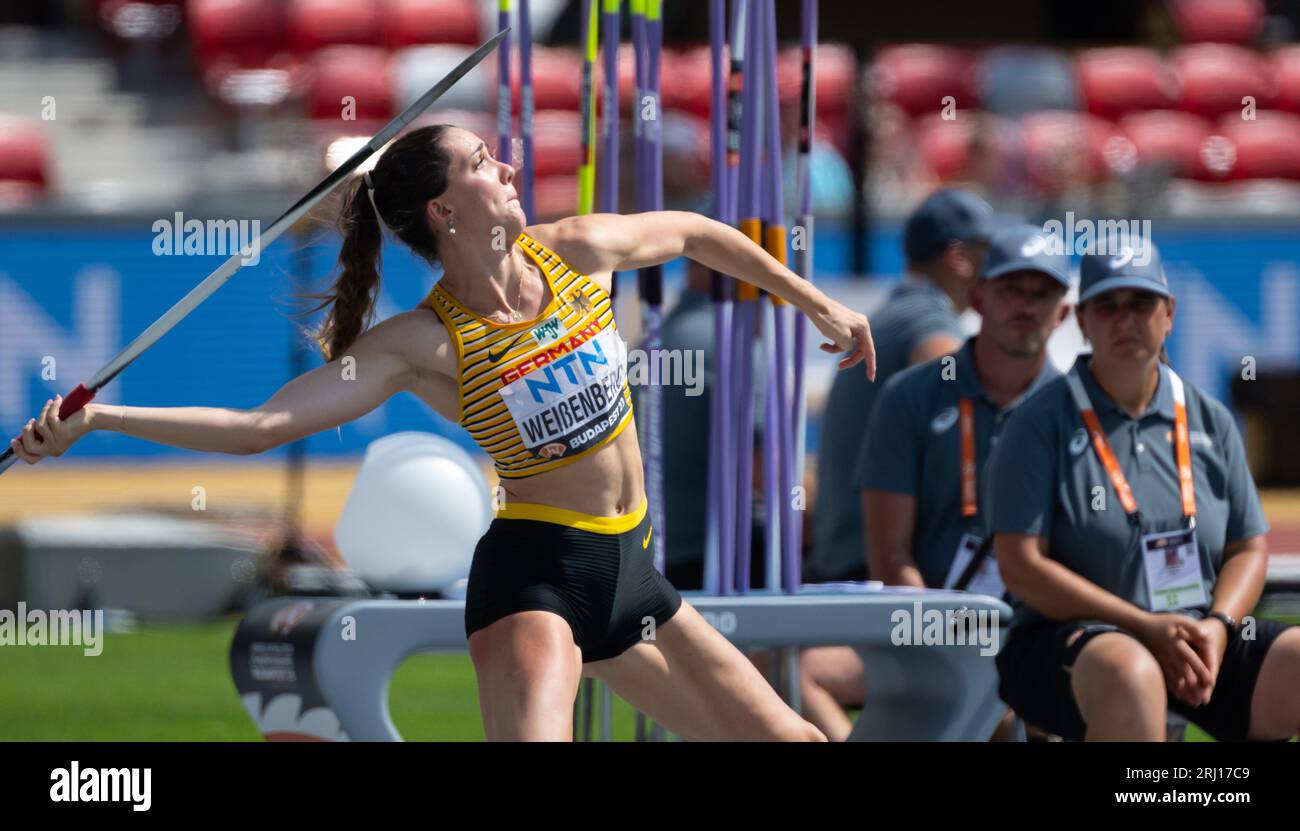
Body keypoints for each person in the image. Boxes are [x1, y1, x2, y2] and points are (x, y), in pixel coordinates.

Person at [9, 125, 877, 741]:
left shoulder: (571, 251)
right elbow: (258, 425)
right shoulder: (420, 344)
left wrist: (817, 301)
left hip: (632, 573)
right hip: (537, 578)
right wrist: (104, 418)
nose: (506, 164)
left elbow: (693, 233)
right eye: (479, 160)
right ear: (441, 210)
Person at [987, 240, 1300, 741]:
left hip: (1194, 633)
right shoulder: (1038, 422)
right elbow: (1021, 565)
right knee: (1132, 674)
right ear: (1082, 322)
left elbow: (1249, 546)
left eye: (1140, 304)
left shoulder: (1208, 418)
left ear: (1169, 313)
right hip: (1070, 640)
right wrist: (1144, 626)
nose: (1125, 320)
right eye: (1107, 307)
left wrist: (1218, 625)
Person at [799, 224, 1071, 741]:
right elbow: (892, 556)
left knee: (1094, 681)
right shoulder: (911, 396)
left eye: (1042, 294)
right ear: (978, 298)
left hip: (1035, 633)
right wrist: (952, 645)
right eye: (1011, 289)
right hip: (925, 622)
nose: (1026, 306)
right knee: (790, 667)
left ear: (1064, 312)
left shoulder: (1076, 409)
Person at [811, 188, 994, 585]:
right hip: (876, 569)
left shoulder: (895, 313)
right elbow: (968, 402)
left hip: (850, 561)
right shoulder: (927, 322)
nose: (1001, 268)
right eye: (990, 253)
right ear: (959, 260)